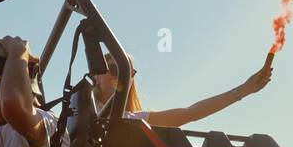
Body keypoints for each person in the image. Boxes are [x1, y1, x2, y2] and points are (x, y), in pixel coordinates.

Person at [93, 50, 274, 125]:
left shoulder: (134, 121)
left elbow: (190, 113)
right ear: (95, 75)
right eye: (113, 67)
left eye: (127, 71)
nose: (120, 75)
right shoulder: (80, 108)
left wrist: (245, 89)